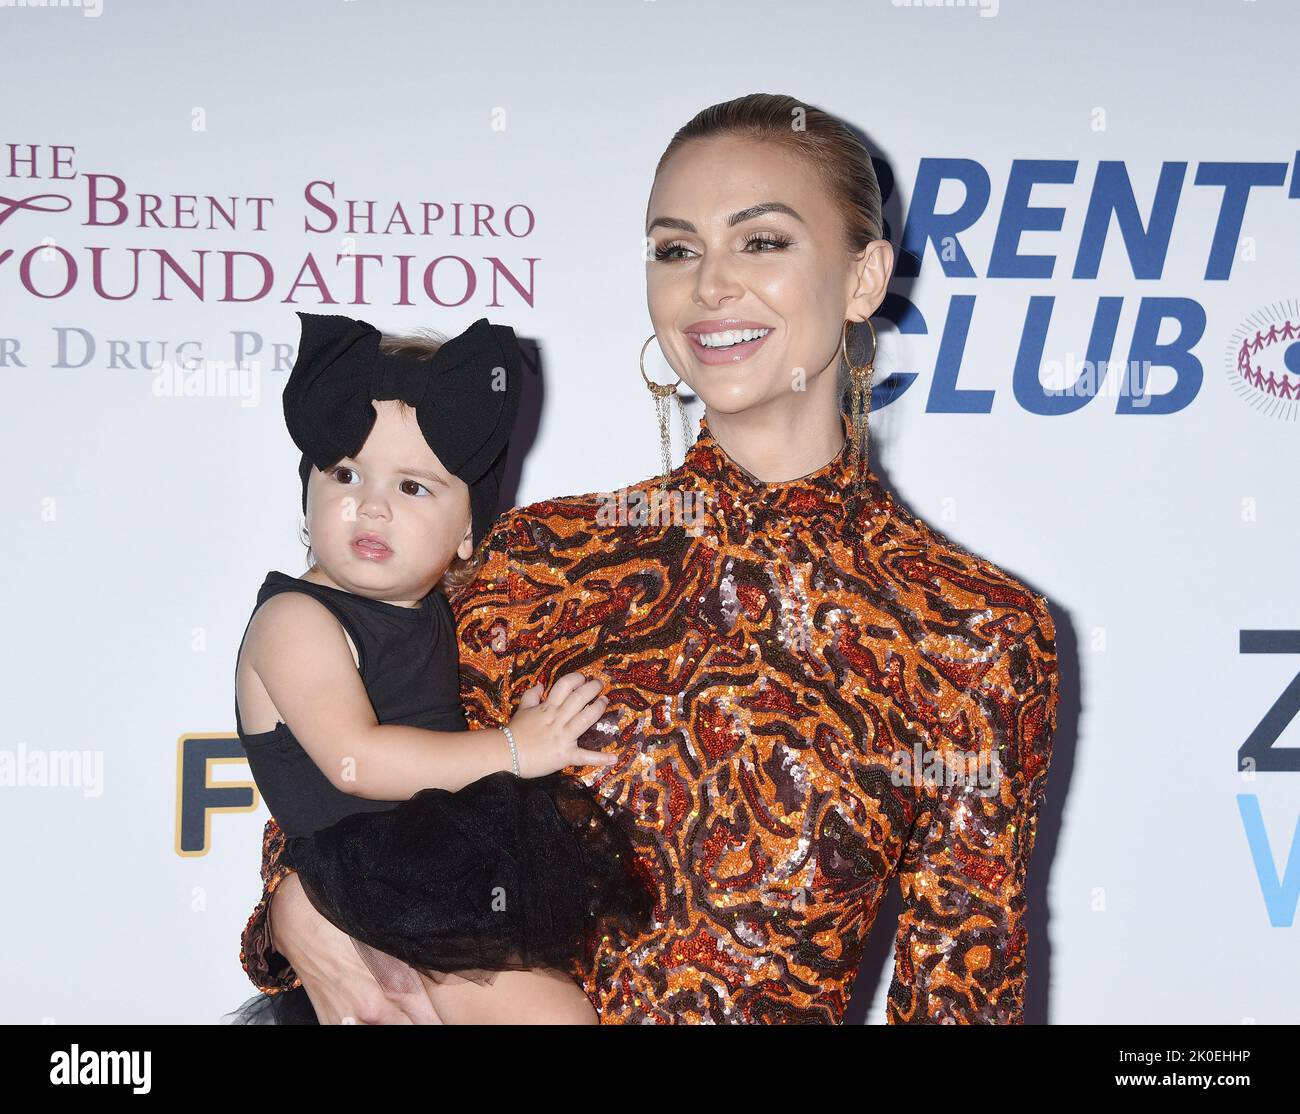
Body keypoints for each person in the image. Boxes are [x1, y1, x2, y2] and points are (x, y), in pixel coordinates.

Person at [240, 92, 1060, 1024]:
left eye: (762, 242)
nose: (710, 285)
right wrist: (294, 905)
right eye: (676, 249)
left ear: (865, 276)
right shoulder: (538, 562)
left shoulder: (976, 633)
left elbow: (962, 986)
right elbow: (340, 797)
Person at [224, 311, 654, 1025]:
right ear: (307, 492)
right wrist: (515, 749)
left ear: (466, 534)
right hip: (363, 885)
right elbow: (355, 759)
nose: (369, 504)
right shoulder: (294, 620)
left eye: (413, 487)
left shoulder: (433, 612)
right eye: (344, 473)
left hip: (426, 870)